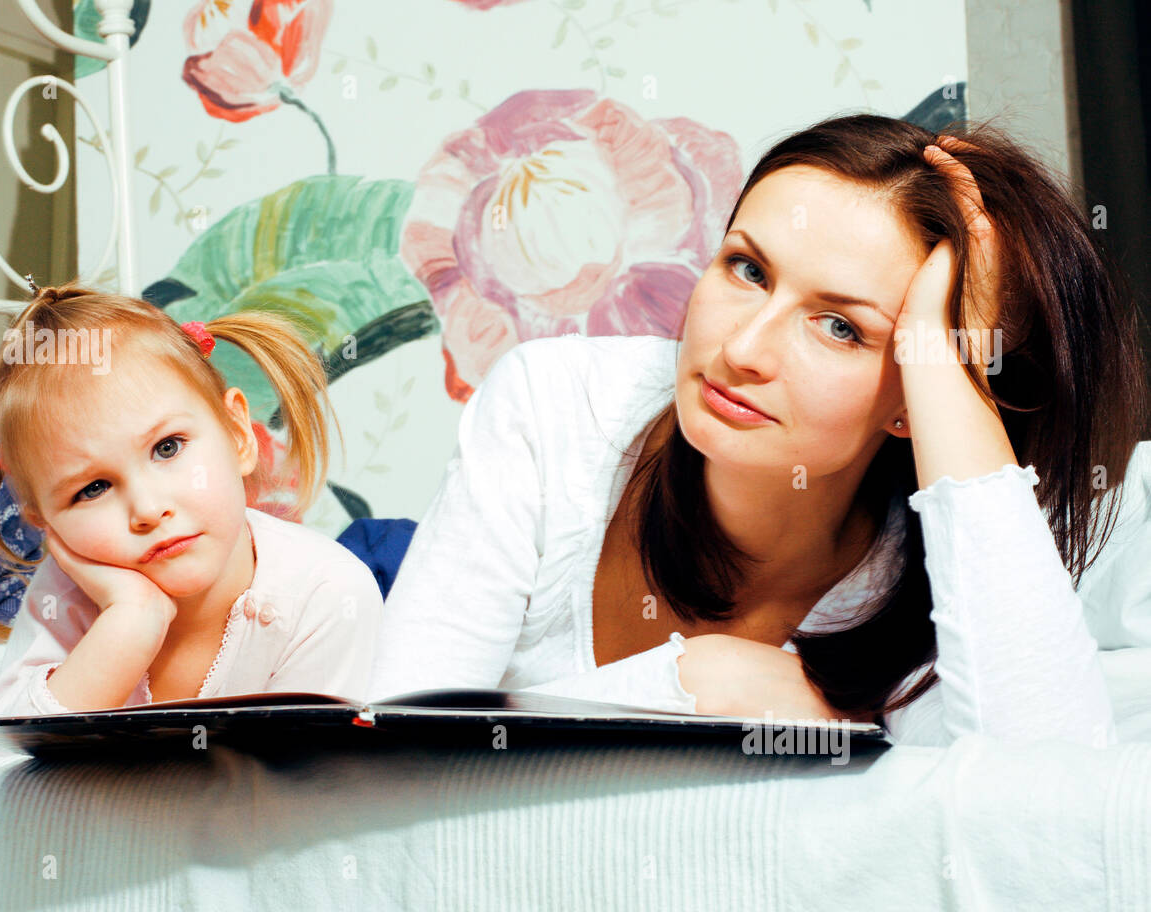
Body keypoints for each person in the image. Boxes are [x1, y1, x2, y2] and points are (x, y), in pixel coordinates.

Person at [368, 115, 1150, 748]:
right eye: (747, 270)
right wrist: (704, 686)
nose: (741, 351)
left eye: (840, 326)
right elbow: (391, 755)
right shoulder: (553, 408)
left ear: (913, 395)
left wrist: (944, 367)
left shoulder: (950, 573)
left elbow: (1055, 808)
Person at [0, 282, 383, 738]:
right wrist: (133, 619)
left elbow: (309, 780)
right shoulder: (69, 592)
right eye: (92, 489)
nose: (147, 510)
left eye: (168, 448)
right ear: (46, 522)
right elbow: (0, 747)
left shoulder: (327, 592)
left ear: (238, 435)